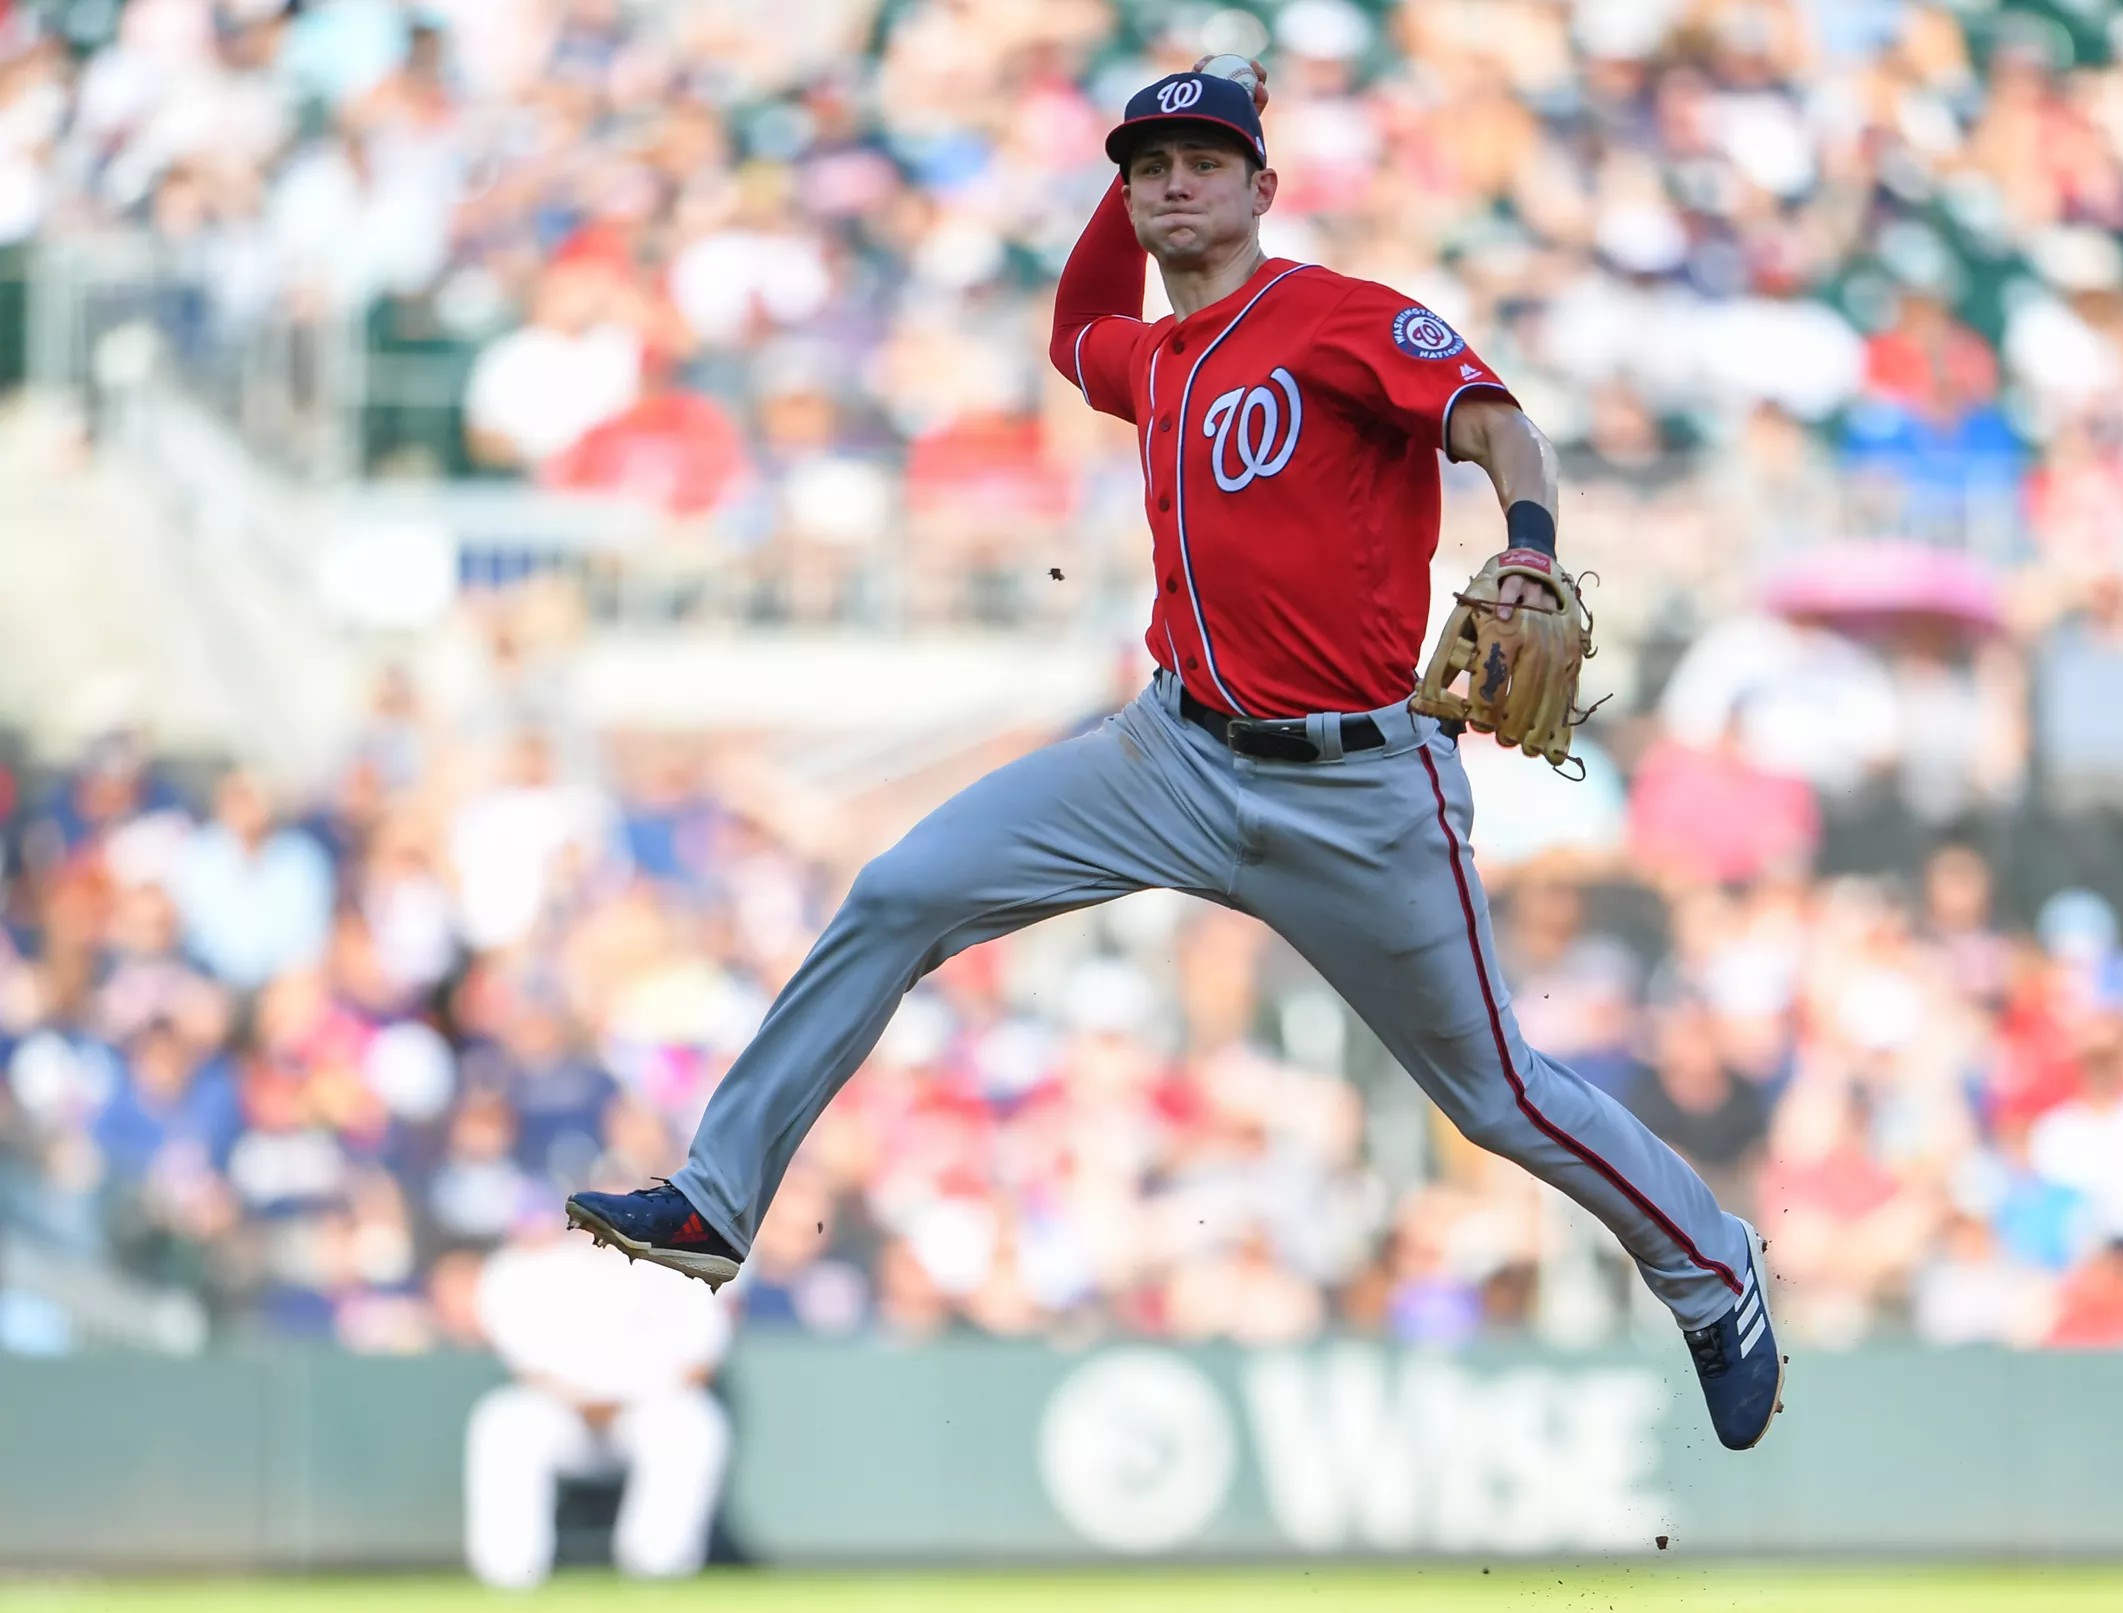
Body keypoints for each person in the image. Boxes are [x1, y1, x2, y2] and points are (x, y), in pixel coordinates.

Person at [564, 61, 1781, 1451]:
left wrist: (1530, 547)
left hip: (1357, 787)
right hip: (1169, 758)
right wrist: (1117, 181)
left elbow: (1502, 425)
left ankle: (1713, 1269)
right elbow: (1079, 323)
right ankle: (718, 1201)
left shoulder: (1340, 317)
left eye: (1206, 157)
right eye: (1150, 165)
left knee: (1495, 1095)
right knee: (899, 891)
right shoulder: (1153, 361)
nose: (1175, 179)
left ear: (1266, 186)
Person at [463, 1215, 733, 1590]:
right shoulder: (534, 1263)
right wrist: (579, 1398)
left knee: (692, 1422)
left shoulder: (682, 1263)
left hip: (647, 1411)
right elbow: (522, 1361)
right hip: (562, 1412)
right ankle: (508, 1576)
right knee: (505, 1420)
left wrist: (630, 1397)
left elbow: (701, 1360)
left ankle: (658, 1570)